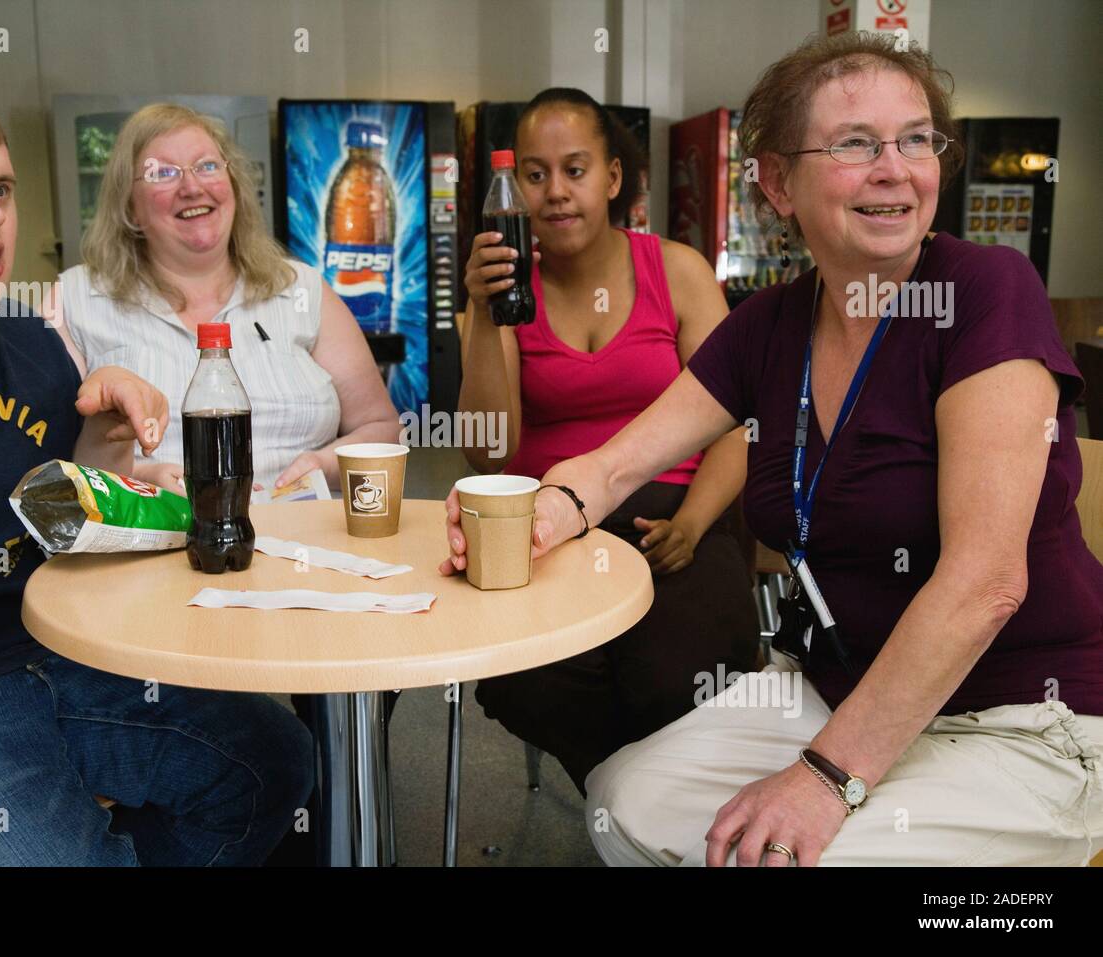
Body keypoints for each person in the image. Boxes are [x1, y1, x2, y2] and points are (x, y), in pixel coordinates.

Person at [443, 32, 1103, 866]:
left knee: (781, 857)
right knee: (624, 800)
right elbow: (612, 466)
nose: (895, 167)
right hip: (839, 687)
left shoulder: (987, 292)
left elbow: (986, 583)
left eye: (915, 139)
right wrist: (538, 515)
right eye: (856, 144)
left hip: (1020, 717)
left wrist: (824, 778)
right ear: (777, 181)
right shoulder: (771, 323)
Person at [0, 74, 313, 866]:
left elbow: (54, 522)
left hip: (52, 664)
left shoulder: (29, 339)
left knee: (272, 763)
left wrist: (100, 454)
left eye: (0, 188)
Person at [458, 88, 758, 794]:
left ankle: (633, 803)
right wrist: (480, 312)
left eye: (575, 169)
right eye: (534, 174)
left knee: (680, 674)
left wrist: (691, 524)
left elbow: (739, 422)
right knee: (523, 679)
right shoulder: (507, 292)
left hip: (675, 516)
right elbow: (487, 448)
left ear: (613, 179)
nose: (555, 192)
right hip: (547, 529)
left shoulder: (677, 271)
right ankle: (629, 799)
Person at [55, 103, 400, 496]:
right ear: (129, 206)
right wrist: (139, 477)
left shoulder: (302, 289)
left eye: (206, 166)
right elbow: (44, 462)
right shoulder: (75, 300)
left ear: (234, 184)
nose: (191, 187)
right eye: (162, 173)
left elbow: (382, 429)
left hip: (306, 540)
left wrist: (324, 465)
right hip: (150, 543)